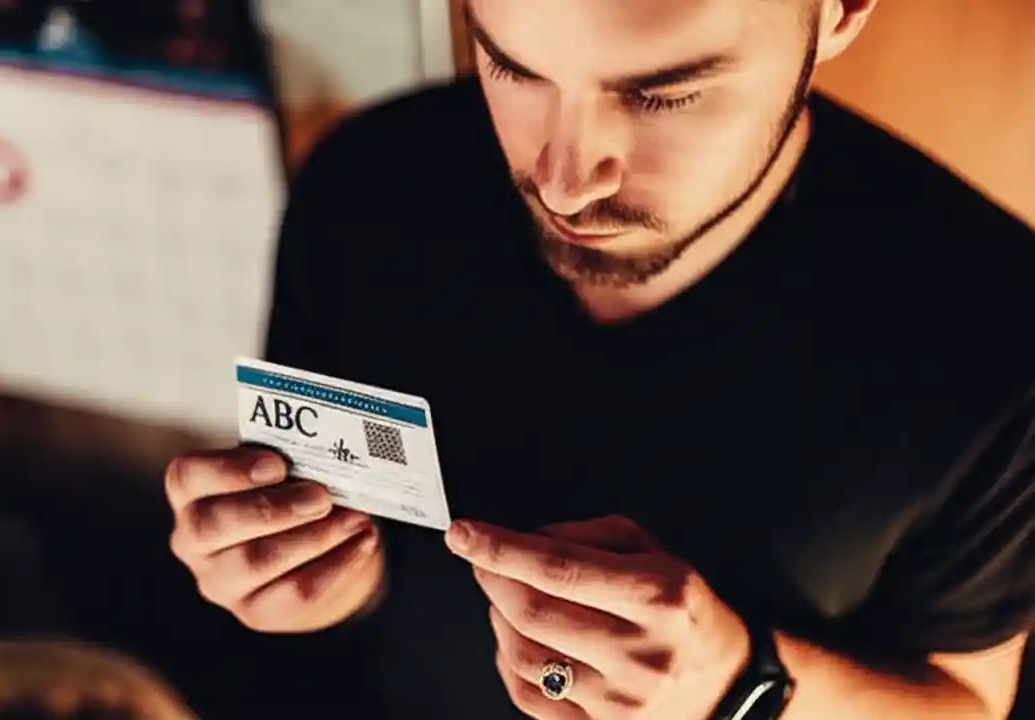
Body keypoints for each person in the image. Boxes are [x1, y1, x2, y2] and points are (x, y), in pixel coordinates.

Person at [163, 0, 1034, 718]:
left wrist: (737, 683)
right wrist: (308, 581)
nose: (566, 180)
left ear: (837, 13)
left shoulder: (997, 330)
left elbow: (964, 705)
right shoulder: (364, 185)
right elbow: (334, 523)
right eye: (513, 67)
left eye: (663, 96)